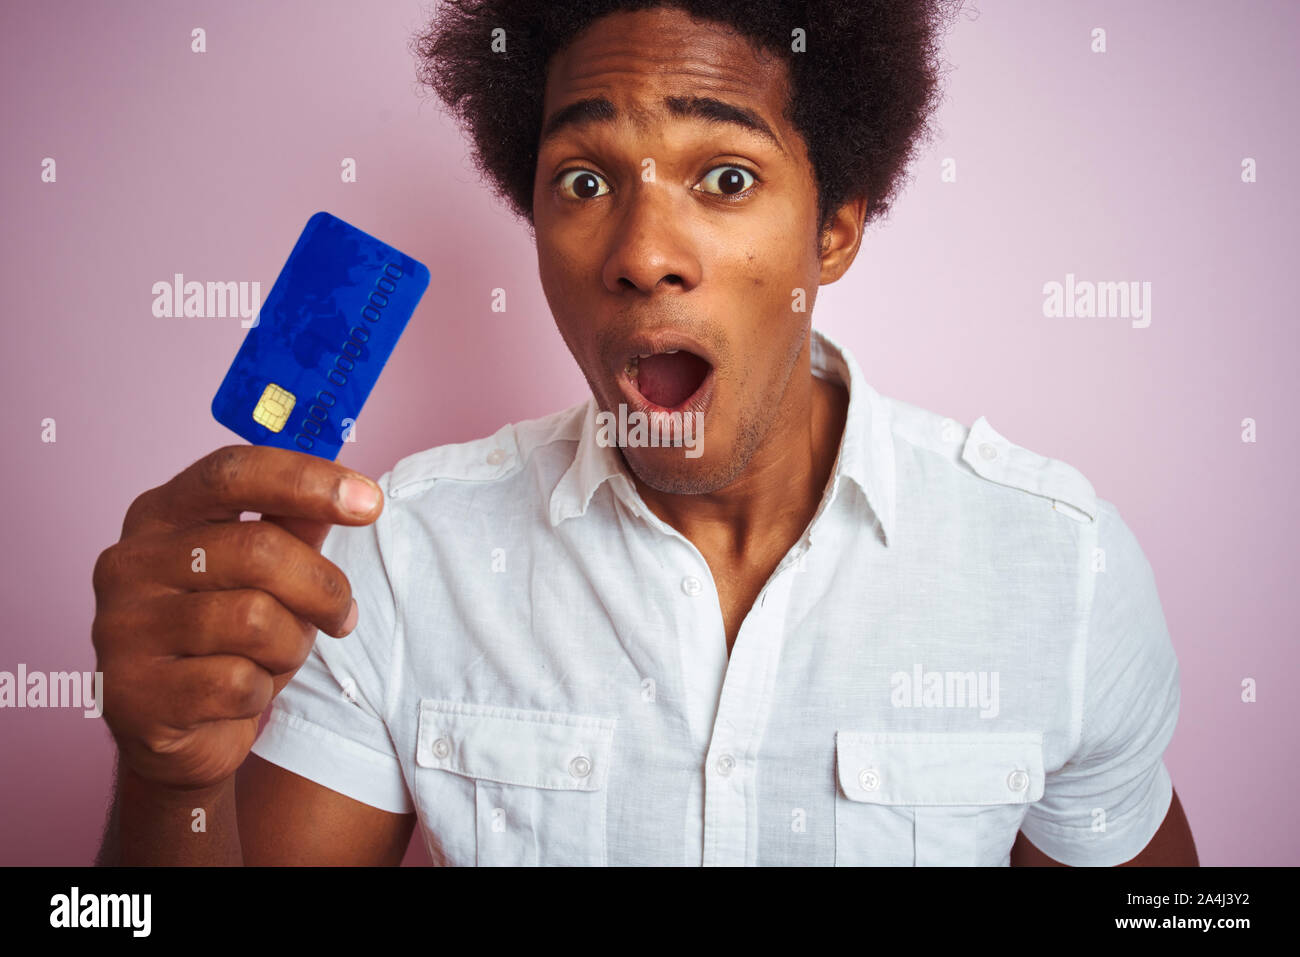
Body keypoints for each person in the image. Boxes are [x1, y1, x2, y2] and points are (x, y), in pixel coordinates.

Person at [92, 0, 1196, 866]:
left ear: (833, 235)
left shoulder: (1058, 567)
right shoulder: (394, 560)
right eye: (583, 179)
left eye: (724, 177)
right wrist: (168, 784)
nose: (642, 251)